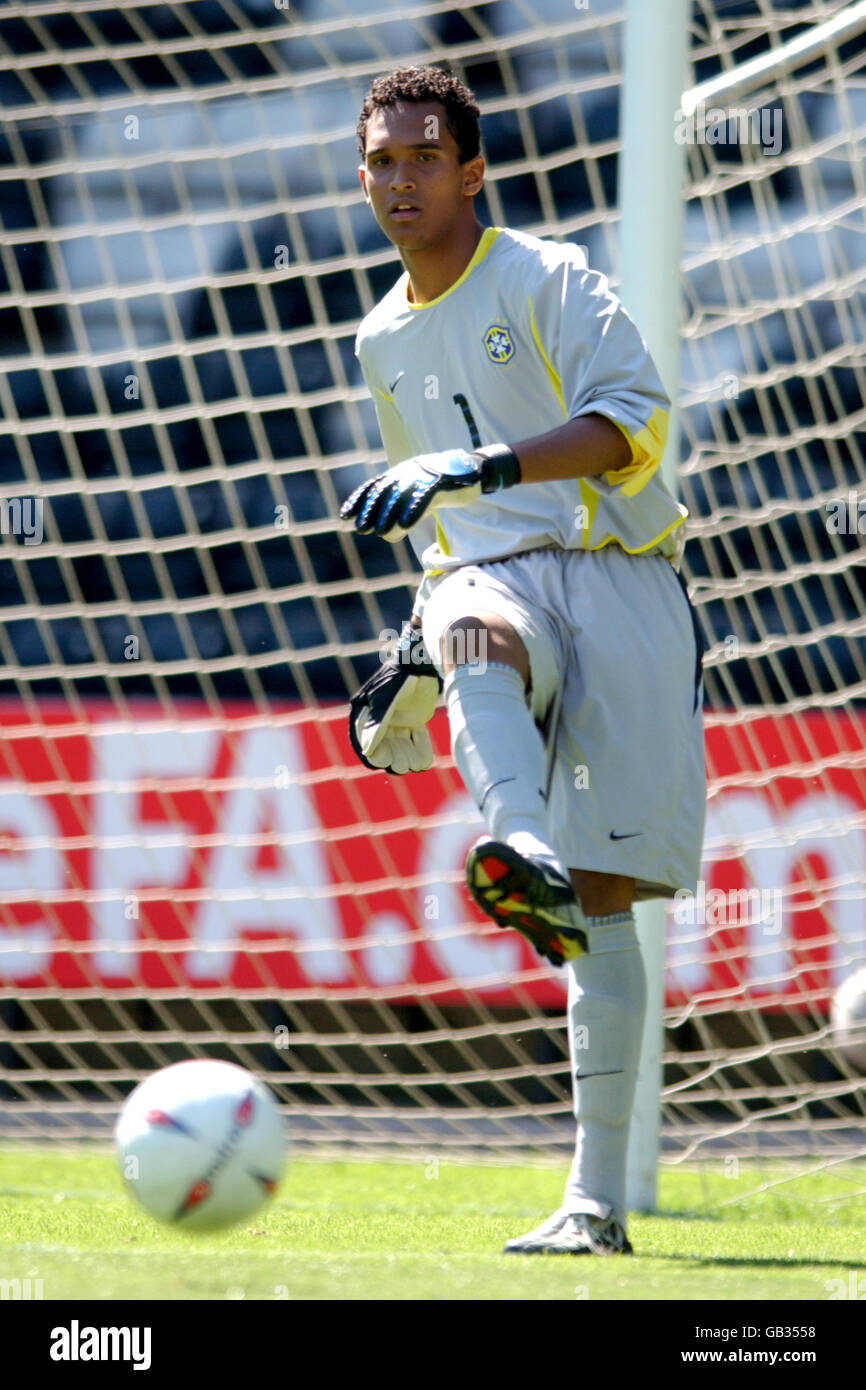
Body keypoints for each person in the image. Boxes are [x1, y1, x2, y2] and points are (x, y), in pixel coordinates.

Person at [341, 65, 705, 1256]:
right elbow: (447, 541)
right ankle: (517, 838)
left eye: (421, 156)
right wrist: (418, 631)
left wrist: (478, 464)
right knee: (461, 619)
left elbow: (634, 426)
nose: (399, 179)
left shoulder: (549, 277)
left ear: (470, 169)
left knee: (602, 913)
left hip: (617, 575)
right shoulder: (378, 335)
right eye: (380, 160)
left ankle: (591, 1206)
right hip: (496, 586)